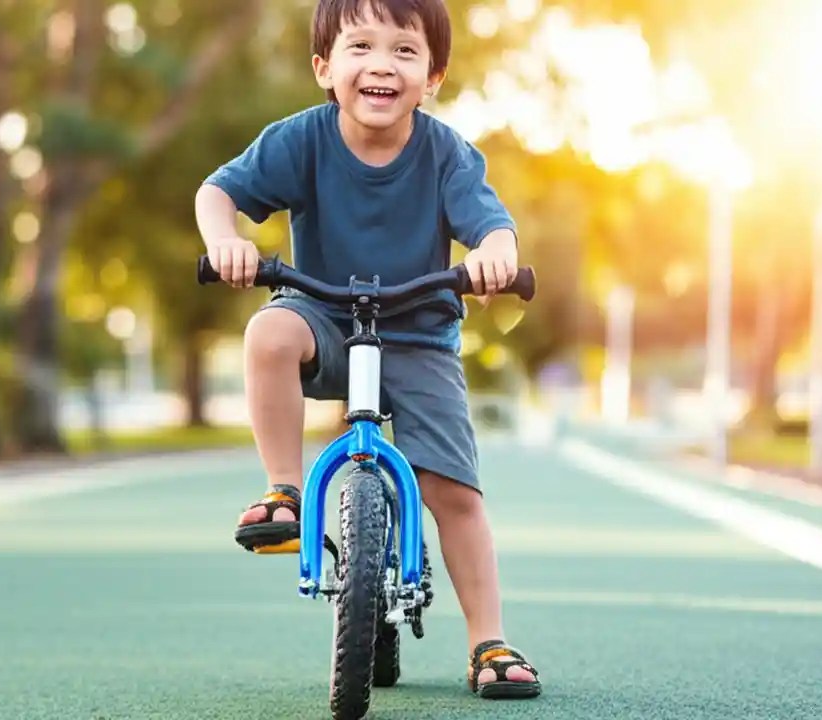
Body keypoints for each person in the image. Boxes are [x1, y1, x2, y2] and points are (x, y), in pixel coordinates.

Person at [193, 0, 541, 700]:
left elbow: (491, 225)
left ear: (433, 76)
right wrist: (225, 240)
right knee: (268, 330)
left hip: (417, 331)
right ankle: (285, 492)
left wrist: (496, 259)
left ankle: (488, 641)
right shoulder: (300, 140)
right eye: (360, 46)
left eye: (405, 51)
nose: (381, 64)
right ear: (325, 67)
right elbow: (217, 192)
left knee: (453, 491)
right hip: (322, 313)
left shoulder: (446, 154)